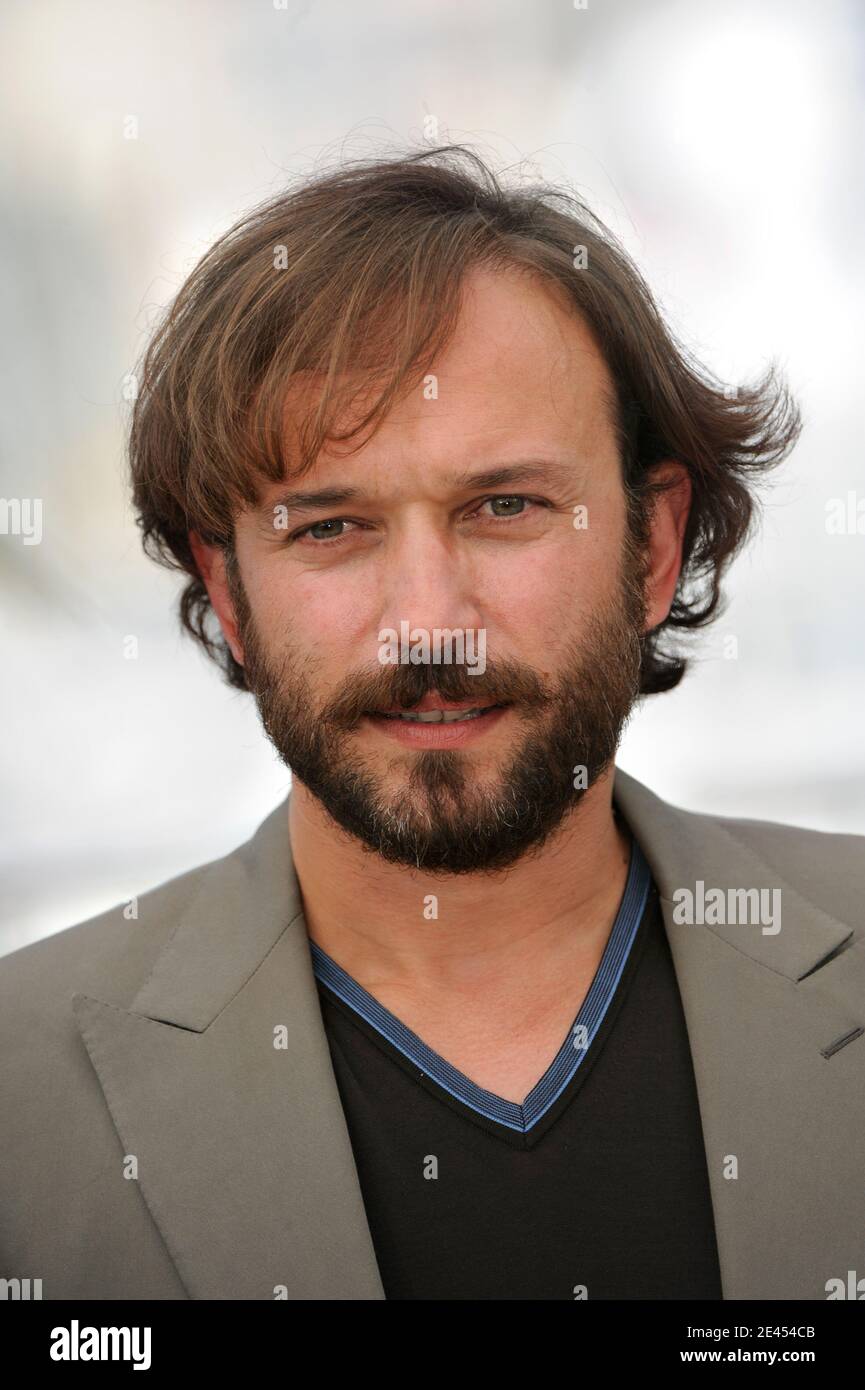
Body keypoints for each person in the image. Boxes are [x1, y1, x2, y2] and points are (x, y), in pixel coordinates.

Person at [2, 147, 862, 1302]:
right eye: (331, 529)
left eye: (503, 506)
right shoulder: (23, 1097)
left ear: (652, 550)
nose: (427, 625)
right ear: (227, 591)